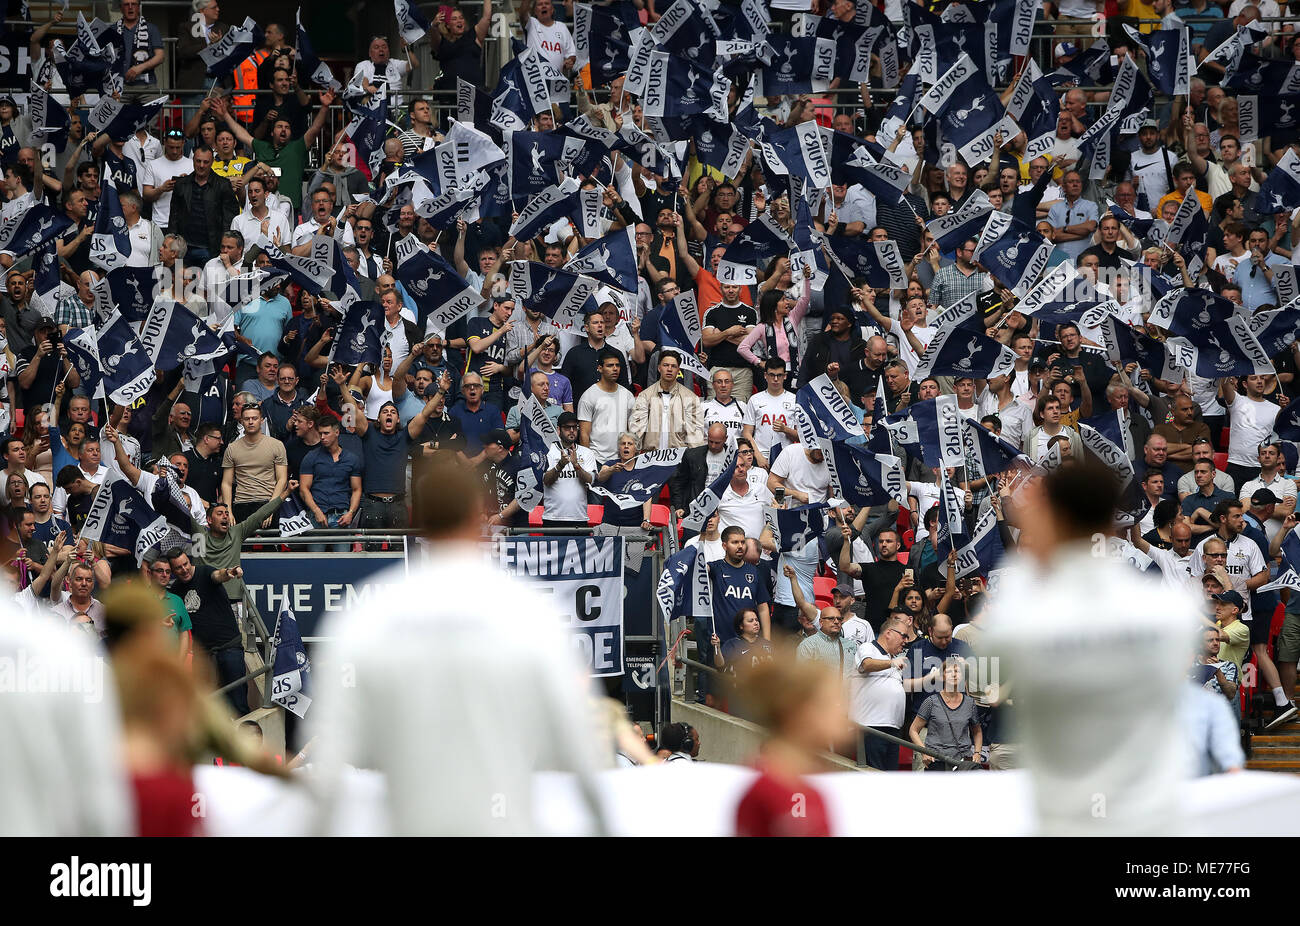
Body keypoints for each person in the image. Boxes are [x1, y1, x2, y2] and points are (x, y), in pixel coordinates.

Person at [310, 456, 604, 835]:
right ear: (473, 515)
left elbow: (329, 772)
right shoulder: (532, 615)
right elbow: (581, 752)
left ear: (420, 520)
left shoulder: (364, 619)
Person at [734, 658, 849, 837]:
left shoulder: (814, 791)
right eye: (830, 705)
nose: (842, 712)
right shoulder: (762, 793)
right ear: (800, 712)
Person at [909, 658, 982, 771]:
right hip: (937, 761)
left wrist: (977, 752)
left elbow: (977, 731)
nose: (953, 675)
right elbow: (913, 730)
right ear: (942, 676)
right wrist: (924, 752)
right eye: (949, 672)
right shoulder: (931, 701)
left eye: (957, 671)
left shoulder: (969, 703)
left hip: (963, 762)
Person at [220, 403, 288, 525]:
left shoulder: (277, 445)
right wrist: (228, 510)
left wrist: (271, 508)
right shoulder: (232, 448)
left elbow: (282, 479)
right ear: (241, 421)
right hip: (241, 503)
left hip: (267, 501)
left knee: (270, 543)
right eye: (247, 419)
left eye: (254, 418)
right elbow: (226, 483)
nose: (251, 422)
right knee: (243, 544)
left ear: (261, 420)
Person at [628, 351, 704, 451]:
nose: (669, 369)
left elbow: (695, 437)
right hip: (651, 457)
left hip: (678, 459)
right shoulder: (645, 396)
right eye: (665, 365)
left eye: (673, 366)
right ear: (659, 368)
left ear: (678, 370)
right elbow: (636, 432)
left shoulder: (690, 398)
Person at [542, 412, 597, 528]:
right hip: (553, 518)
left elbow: (590, 480)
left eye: (575, 427)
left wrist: (576, 465)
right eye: (567, 427)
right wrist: (560, 465)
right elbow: (546, 480)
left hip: (579, 517)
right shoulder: (548, 451)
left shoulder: (587, 453)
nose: (572, 430)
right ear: (558, 429)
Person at [576, 353, 634, 462]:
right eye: (610, 365)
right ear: (600, 368)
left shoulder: (627, 395)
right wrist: (588, 462)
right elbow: (584, 434)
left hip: (621, 458)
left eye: (617, 365)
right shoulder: (589, 396)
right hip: (597, 458)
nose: (615, 369)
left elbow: (631, 430)